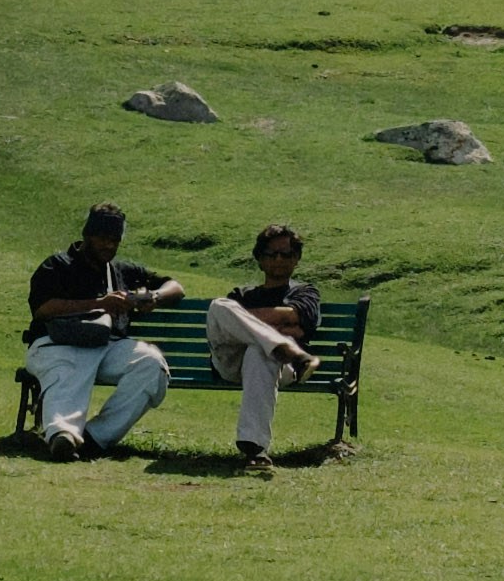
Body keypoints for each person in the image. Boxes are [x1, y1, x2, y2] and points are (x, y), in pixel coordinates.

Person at [24, 202, 180, 460]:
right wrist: (99, 304)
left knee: (151, 365)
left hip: (106, 345)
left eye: (115, 240)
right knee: (70, 368)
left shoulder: (122, 271)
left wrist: (153, 296)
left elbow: (175, 286)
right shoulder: (58, 264)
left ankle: (95, 438)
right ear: (87, 235)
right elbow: (42, 309)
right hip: (56, 343)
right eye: (102, 238)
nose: (109, 245)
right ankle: (62, 436)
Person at [204, 225, 318, 475]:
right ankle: (290, 351)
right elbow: (227, 321)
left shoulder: (305, 292)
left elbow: (301, 318)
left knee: (260, 352)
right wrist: (282, 326)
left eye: (286, 254)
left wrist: (248, 321)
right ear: (259, 258)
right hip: (232, 362)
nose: (278, 259)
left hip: (280, 368)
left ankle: (255, 448)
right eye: (271, 254)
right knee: (219, 306)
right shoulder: (240, 294)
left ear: (296, 259)